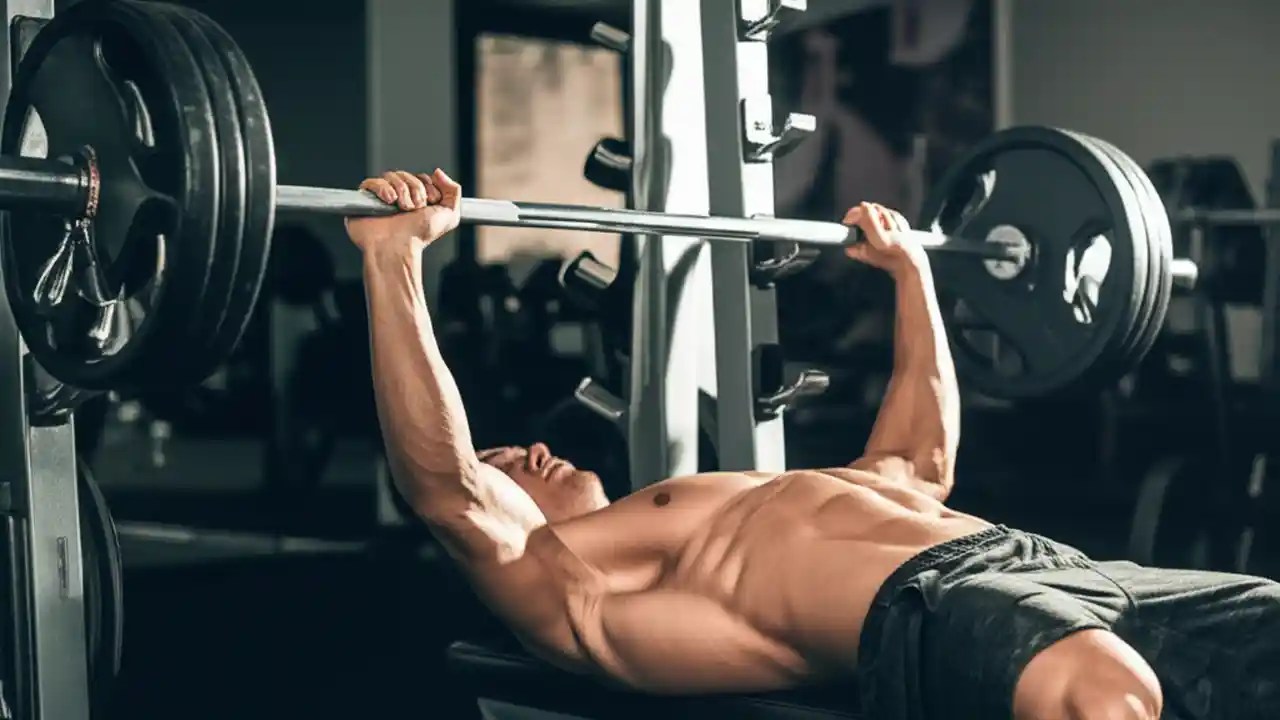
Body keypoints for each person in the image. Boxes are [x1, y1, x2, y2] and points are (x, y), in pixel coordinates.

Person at [347, 169, 1280, 720]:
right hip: (934, 605)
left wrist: (911, 276)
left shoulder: (709, 503)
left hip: (1049, 563)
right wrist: (394, 262)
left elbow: (917, 469)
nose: (531, 451)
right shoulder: (571, 586)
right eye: (512, 460)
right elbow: (448, 486)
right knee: (1100, 691)